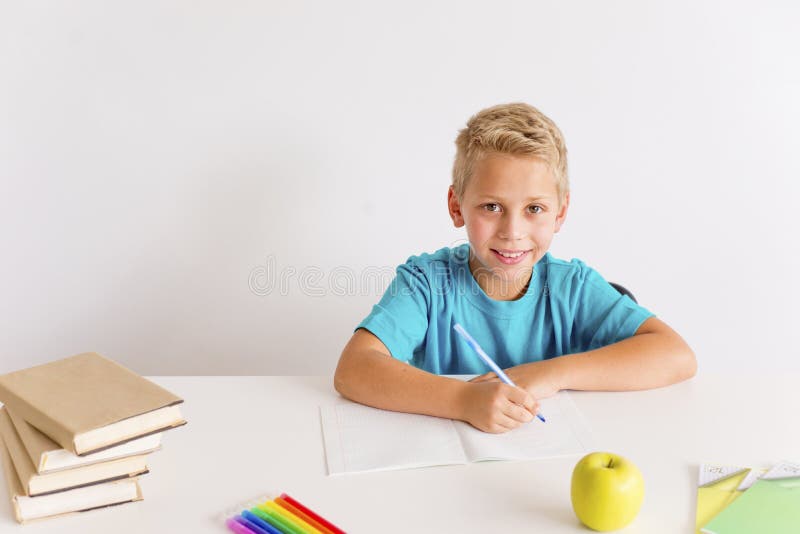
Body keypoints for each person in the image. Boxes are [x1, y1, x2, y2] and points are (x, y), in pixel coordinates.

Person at [334, 102, 696, 433]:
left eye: (534, 209)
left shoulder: (573, 287)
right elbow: (353, 369)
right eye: (491, 207)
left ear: (560, 213)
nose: (512, 232)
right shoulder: (427, 283)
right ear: (457, 207)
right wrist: (462, 400)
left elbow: (676, 355)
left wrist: (552, 373)